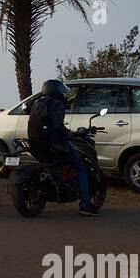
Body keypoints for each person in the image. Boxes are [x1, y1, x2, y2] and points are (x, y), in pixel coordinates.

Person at [29, 78, 95, 216]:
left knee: (51, 165)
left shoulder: (37, 103)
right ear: (55, 91)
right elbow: (58, 126)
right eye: (60, 90)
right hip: (55, 143)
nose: (63, 94)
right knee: (81, 168)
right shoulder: (56, 104)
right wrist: (70, 134)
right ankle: (85, 205)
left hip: (38, 142)